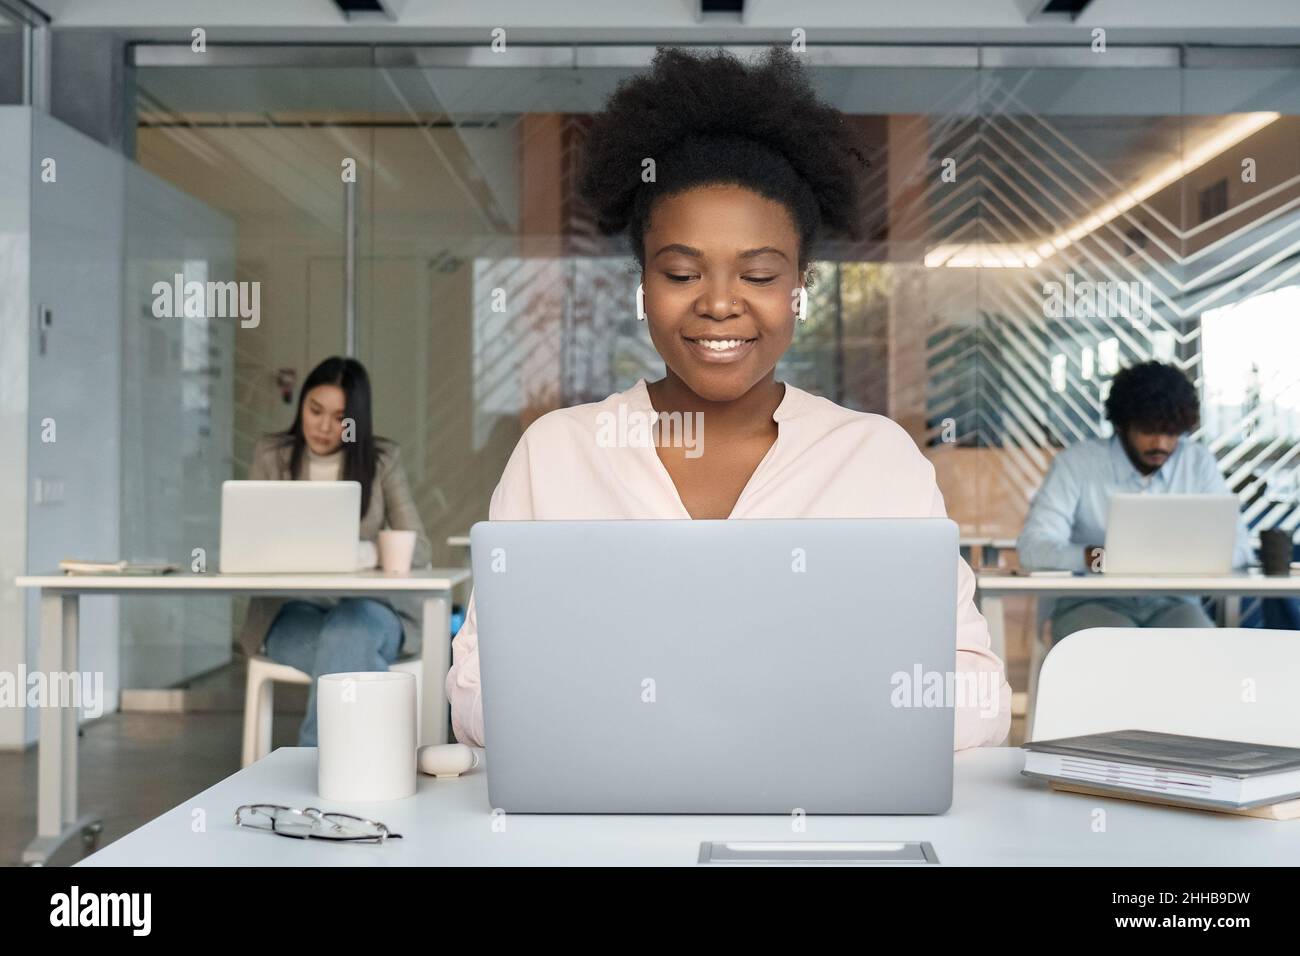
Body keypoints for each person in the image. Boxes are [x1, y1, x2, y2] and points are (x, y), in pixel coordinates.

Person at [445, 47, 1010, 752]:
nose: (718, 304)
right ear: (643, 284)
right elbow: (474, 688)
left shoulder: (877, 461)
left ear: (799, 285)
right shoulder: (557, 455)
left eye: (759, 274)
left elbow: (976, 693)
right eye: (682, 272)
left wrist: (784, 714)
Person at [238, 356, 432, 746]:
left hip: (371, 609)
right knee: (350, 650)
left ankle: (316, 759)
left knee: (349, 630)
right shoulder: (271, 455)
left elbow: (420, 549)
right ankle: (372, 762)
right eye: (315, 410)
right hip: (290, 612)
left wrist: (361, 554)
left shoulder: (381, 461)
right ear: (301, 405)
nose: (324, 427)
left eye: (340, 417)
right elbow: (247, 545)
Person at [1018, 360, 1252, 643]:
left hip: (1174, 605)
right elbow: (1032, 549)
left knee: (1204, 650)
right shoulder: (1077, 463)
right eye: (1148, 429)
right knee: (1119, 651)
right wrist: (1097, 557)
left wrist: (1188, 557)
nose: (1161, 444)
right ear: (1122, 425)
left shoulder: (1197, 463)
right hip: (1092, 603)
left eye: (1170, 432)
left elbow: (1240, 548)